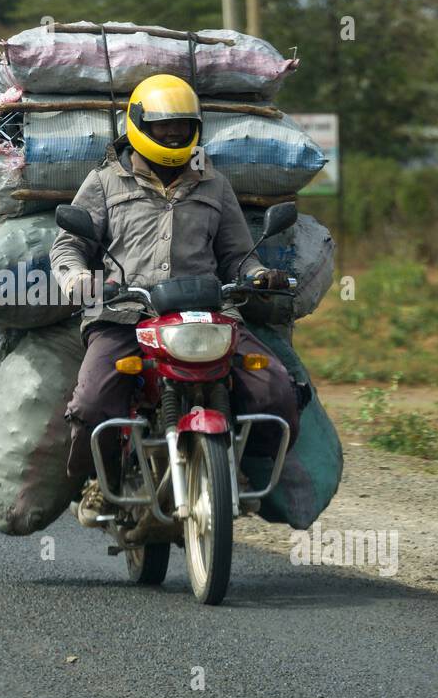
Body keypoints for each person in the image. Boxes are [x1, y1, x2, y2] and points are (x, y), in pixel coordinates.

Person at [49, 73, 300, 528]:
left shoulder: (214, 185)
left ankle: (238, 468)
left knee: (275, 388)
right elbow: (68, 245)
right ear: (139, 123)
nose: (171, 135)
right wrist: (79, 279)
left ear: (196, 130)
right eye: (162, 126)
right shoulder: (105, 182)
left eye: (181, 128)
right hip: (126, 315)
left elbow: (236, 257)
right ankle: (98, 483)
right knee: (92, 400)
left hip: (207, 315)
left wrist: (260, 276)